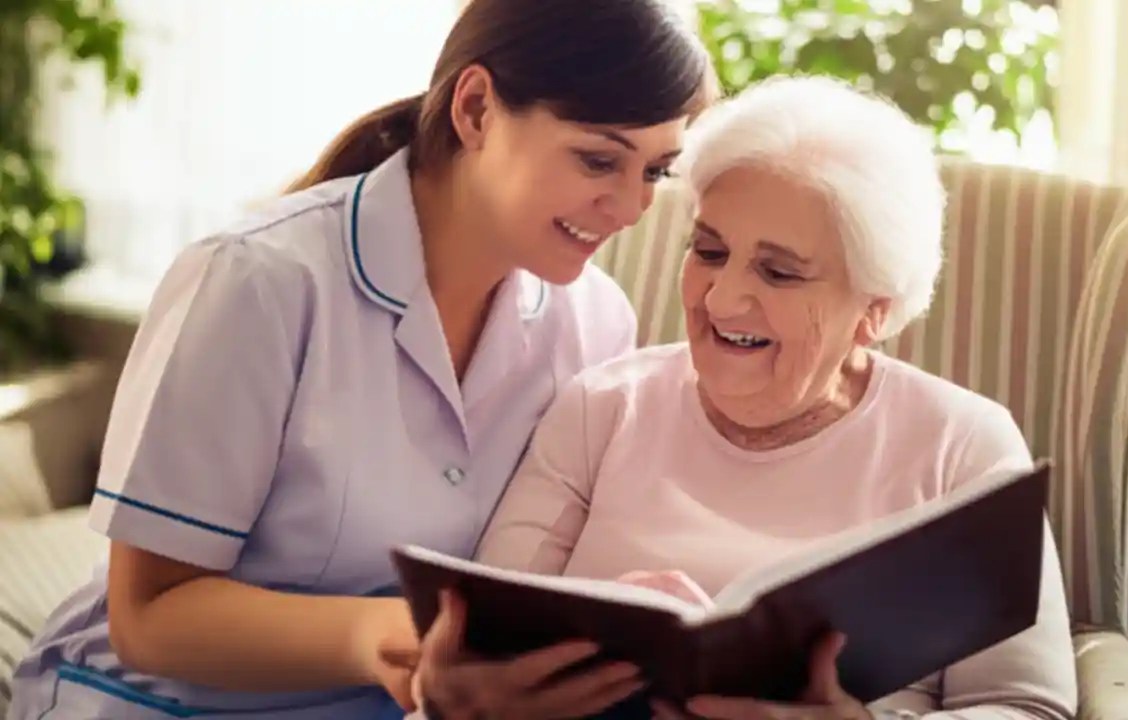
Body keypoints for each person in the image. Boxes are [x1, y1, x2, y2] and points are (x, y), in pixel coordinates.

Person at [6, 1, 714, 717]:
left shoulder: (597, 322)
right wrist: (391, 636)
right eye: (599, 160)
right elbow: (148, 616)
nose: (630, 209)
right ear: (475, 111)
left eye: (656, 171)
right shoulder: (259, 280)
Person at [424, 75, 1079, 719]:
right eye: (709, 252)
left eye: (778, 272)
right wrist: (461, 695)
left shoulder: (964, 447)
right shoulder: (602, 407)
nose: (722, 299)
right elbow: (479, 650)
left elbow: (1026, 706)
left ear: (874, 310)